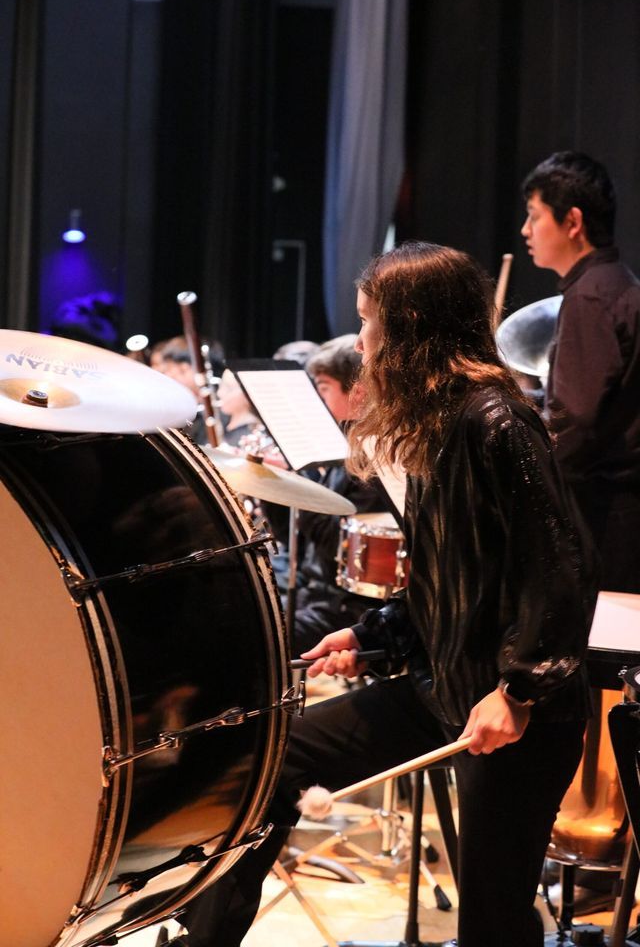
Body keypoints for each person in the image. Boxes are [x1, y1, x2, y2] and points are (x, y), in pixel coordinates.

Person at [181, 241, 595, 947]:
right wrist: (374, 636)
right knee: (271, 763)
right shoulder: (436, 426)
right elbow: (452, 579)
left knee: (492, 923)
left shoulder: (497, 423)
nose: (363, 342)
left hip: (515, 712)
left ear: (409, 328)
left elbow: (563, 569)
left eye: (370, 322)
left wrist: (519, 693)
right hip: (442, 690)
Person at [521, 151, 640, 592]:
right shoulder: (616, 282)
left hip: (606, 518)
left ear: (572, 222)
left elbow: (574, 423)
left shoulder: (590, 296)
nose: (525, 230)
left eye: (534, 216)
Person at [269, 334, 390, 656]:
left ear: (359, 393)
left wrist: (296, 489)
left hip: (347, 606)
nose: (316, 400)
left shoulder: (372, 464)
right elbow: (291, 538)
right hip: (311, 590)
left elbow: (341, 552)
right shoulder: (335, 450)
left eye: (323, 388)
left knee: (260, 633)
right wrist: (272, 486)